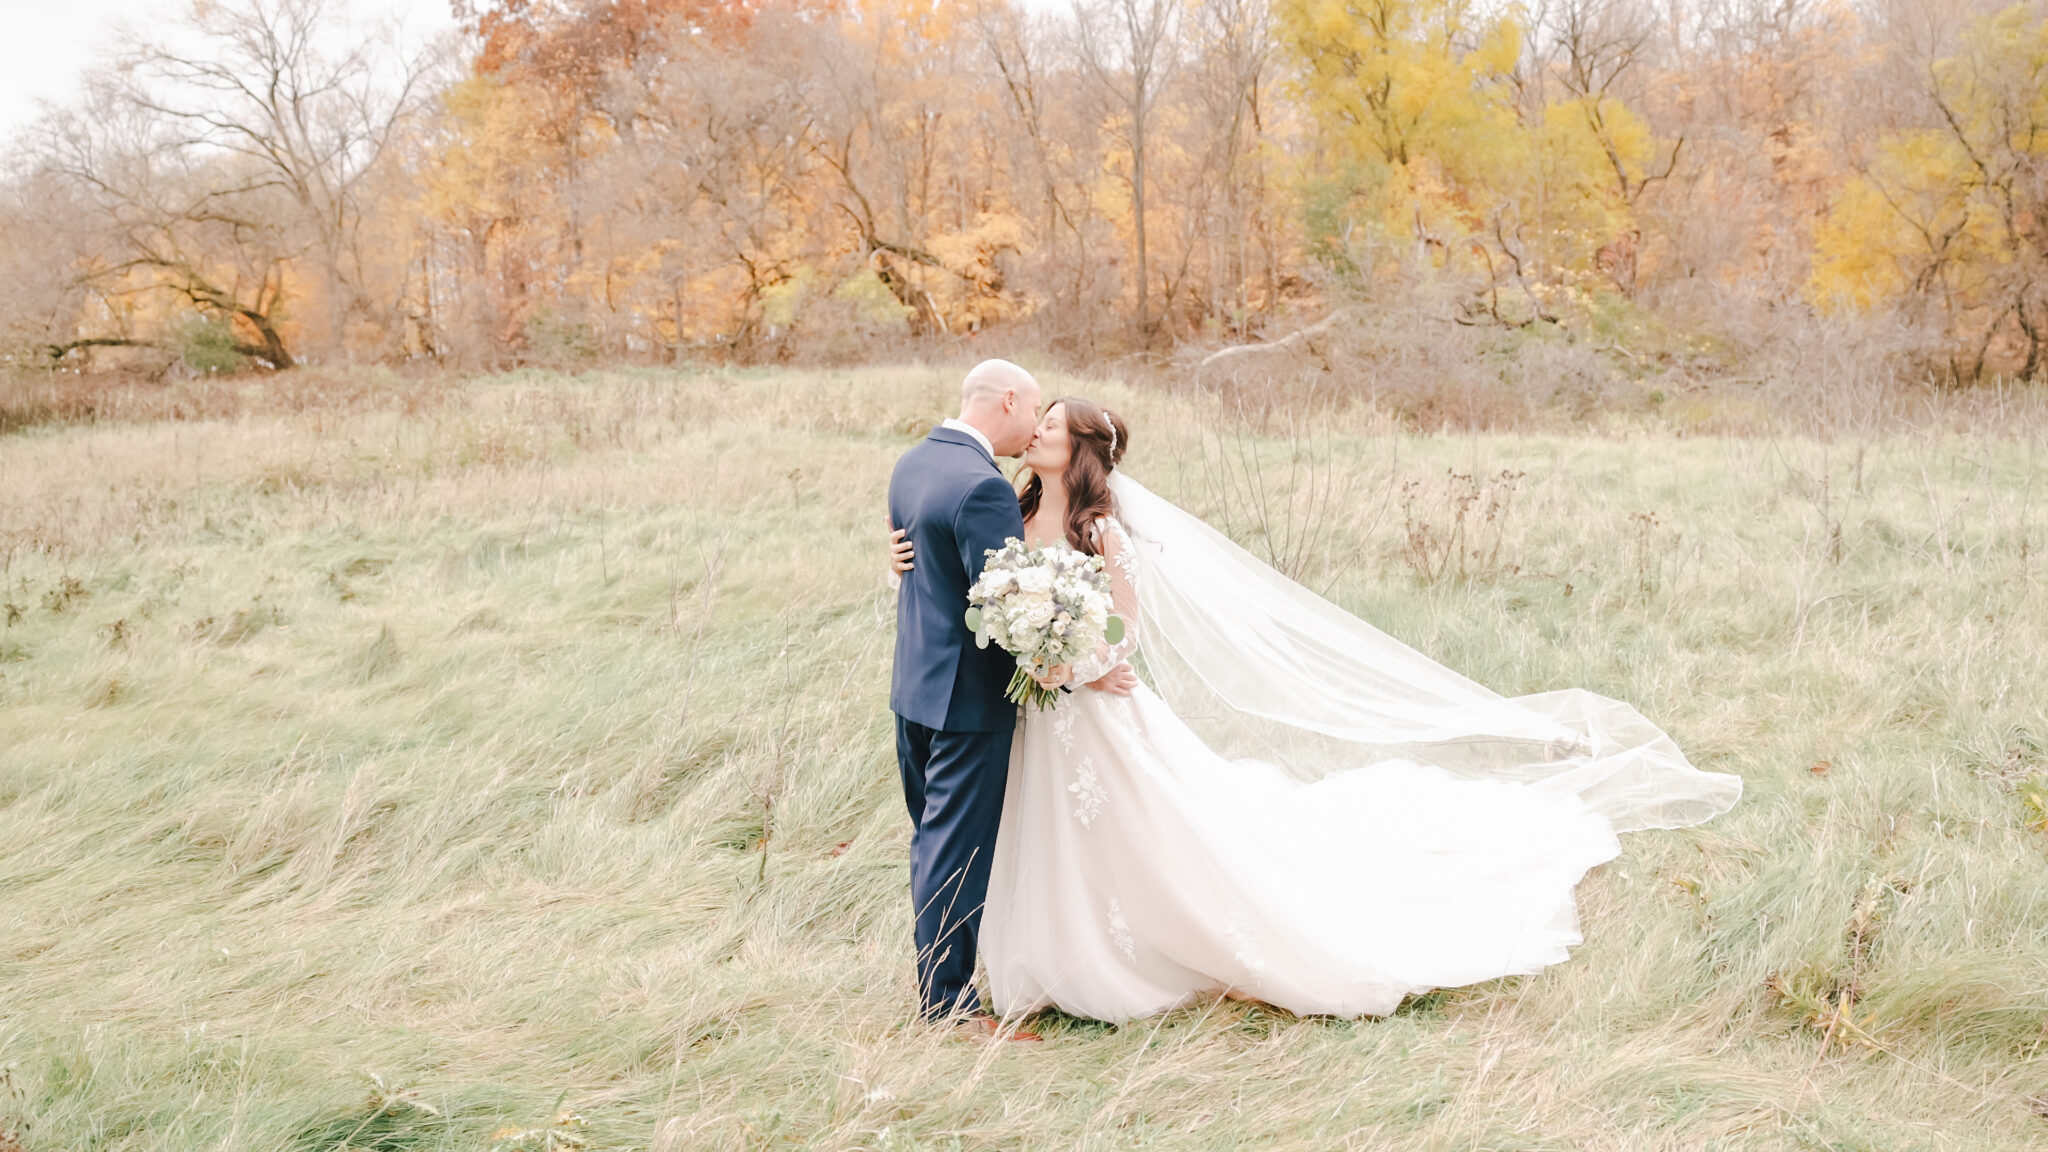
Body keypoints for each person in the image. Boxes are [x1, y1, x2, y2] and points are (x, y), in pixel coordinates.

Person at [887, 396, 1741, 1022]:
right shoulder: (1016, 504)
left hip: (1093, 708)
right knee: (1043, 834)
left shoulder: (1102, 529)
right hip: (1039, 711)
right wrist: (911, 569)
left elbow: (1125, 629)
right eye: (1031, 417)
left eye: (1049, 423)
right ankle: (1042, 959)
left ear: (1079, 447)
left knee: (1144, 835)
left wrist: (1085, 664)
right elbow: (979, 579)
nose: (1032, 427)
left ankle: (1134, 956)